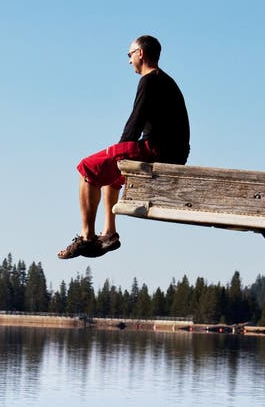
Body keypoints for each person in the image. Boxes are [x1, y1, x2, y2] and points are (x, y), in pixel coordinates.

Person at [57, 35, 190, 260]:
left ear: (141, 53)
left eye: (130, 54)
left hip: (158, 150)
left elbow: (135, 121)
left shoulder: (150, 80)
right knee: (112, 174)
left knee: (87, 168)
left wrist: (121, 151)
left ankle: (87, 237)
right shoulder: (166, 81)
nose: (129, 61)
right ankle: (108, 233)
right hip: (173, 153)